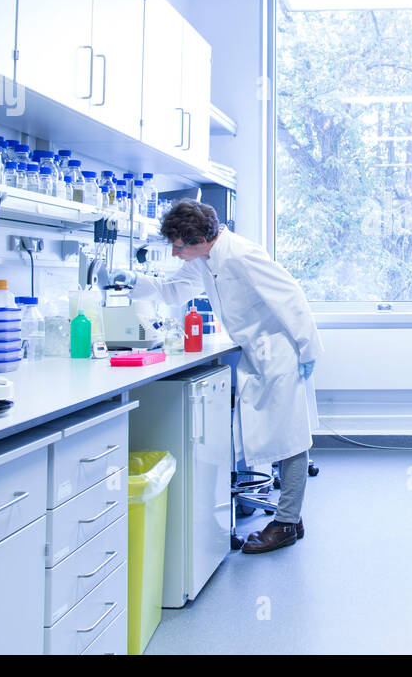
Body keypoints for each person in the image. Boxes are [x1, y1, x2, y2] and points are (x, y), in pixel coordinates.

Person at [101, 201, 321, 554]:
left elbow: (291, 298)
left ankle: (286, 522)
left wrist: (308, 350)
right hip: (256, 351)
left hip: (279, 350)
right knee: (274, 433)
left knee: (289, 437)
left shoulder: (241, 254)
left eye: (178, 245)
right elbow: (173, 291)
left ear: (199, 238)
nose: (174, 253)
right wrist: (133, 281)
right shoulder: (204, 260)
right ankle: (281, 517)